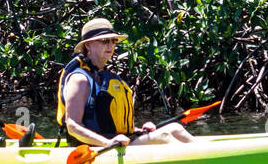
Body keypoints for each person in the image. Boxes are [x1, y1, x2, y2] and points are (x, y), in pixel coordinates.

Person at [57, 17, 195, 148]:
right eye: (105, 41)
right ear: (88, 45)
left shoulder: (104, 76)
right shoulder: (79, 79)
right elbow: (72, 126)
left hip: (115, 141)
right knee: (163, 136)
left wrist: (139, 130)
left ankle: (206, 155)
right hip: (94, 147)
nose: (111, 45)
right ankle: (197, 163)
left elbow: (108, 123)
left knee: (175, 128)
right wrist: (107, 143)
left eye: (114, 41)